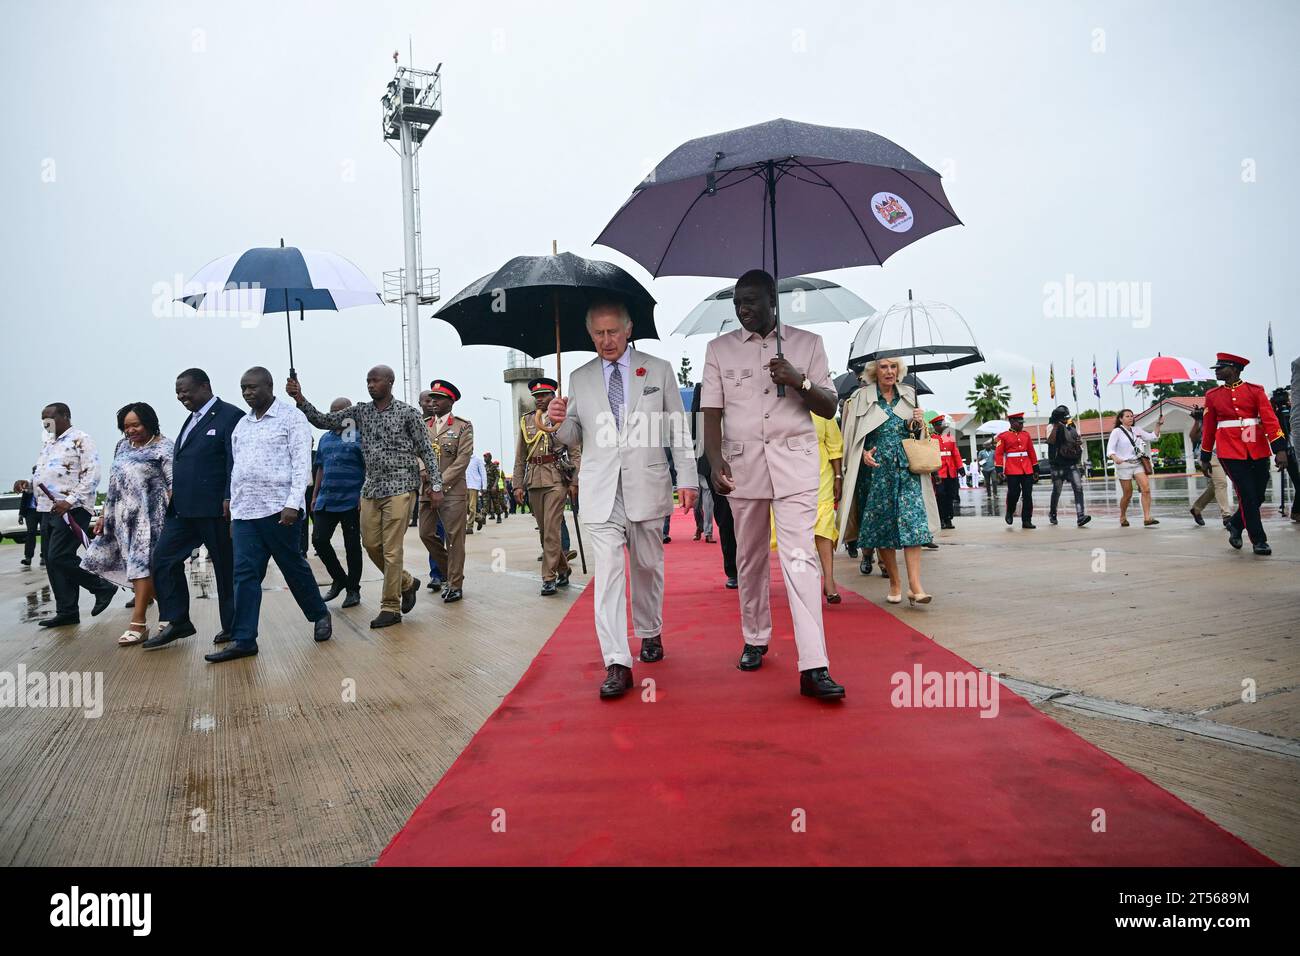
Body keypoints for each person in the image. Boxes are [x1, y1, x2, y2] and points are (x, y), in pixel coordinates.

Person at [702, 269, 845, 700]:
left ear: (773, 301)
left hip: (796, 468)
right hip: (743, 469)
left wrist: (797, 380)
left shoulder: (808, 344)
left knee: (800, 560)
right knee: (750, 559)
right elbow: (710, 411)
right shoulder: (718, 350)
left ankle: (813, 664)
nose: (744, 310)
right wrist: (712, 460)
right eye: (737, 304)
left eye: (752, 302)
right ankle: (755, 636)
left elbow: (828, 406)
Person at [549, 298, 696, 698]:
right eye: (598, 333)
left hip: (646, 484)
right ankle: (616, 660)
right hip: (600, 490)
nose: (606, 340)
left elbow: (678, 430)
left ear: (629, 330)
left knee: (647, 566)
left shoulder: (658, 370)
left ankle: (650, 630)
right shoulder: (579, 378)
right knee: (610, 573)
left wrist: (688, 478)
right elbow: (573, 436)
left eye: (613, 331)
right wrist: (557, 421)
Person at [287, 365, 443, 628]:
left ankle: (390, 607)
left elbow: (426, 451)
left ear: (390, 383)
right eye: (367, 381)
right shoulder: (361, 412)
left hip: (402, 486)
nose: (370, 385)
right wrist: (300, 399)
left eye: (375, 381)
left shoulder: (408, 414)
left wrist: (436, 485)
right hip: (371, 488)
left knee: (392, 549)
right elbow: (325, 421)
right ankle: (406, 582)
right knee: (372, 546)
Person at [205, 368, 332, 663]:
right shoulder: (242, 426)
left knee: (293, 567)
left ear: (269, 386)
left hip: (279, 510)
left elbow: (302, 464)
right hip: (247, 512)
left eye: (252, 387)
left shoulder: (292, 418)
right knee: (244, 574)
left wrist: (293, 503)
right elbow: (237, 471)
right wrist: (235, 510)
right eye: (243, 388)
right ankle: (244, 638)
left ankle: (319, 613)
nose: (247, 393)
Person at [144, 369, 244, 650]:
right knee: (162, 559)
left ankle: (233, 627)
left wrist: (229, 497)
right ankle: (177, 620)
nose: (181, 397)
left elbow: (233, 461)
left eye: (186, 390)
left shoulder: (230, 416)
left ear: (205, 386)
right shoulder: (191, 419)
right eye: (177, 393)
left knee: (226, 569)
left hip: (216, 509)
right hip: (184, 509)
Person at [839, 357, 934, 606]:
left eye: (893, 367)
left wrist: (917, 421)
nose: (889, 371)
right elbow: (853, 437)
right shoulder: (860, 399)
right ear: (874, 371)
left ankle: (916, 586)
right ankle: (895, 582)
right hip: (876, 471)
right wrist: (864, 454)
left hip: (906, 467)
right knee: (883, 528)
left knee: (913, 525)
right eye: (884, 367)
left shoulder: (909, 395)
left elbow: (916, 434)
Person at [13, 403, 116, 627]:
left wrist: (69, 501)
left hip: (72, 508)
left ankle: (102, 586)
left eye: (49, 418)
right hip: (46, 509)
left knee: (60, 556)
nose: (46, 423)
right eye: (43, 420)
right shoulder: (48, 443)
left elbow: (93, 475)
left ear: (65, 416)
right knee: (52, 561)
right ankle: (67, 611)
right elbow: (46, 477)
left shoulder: (81, 439)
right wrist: (28, 485)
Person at [79, 403, 173, 645]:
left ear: (150, 422)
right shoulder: (122, 446)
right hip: (121, 519)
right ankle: (170, 613)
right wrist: (103, 515)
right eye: (126, 427)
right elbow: (113, 485)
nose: (130, 430)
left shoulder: (164, 447)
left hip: (150, 519)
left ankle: (138, 623)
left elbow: (174, 485)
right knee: (139, 568)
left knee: (141, 567)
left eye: (136, 425)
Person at [1199, 352, 1288, 555]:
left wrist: (1280, 449)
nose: (1217, 371)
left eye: (1222, 367)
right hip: (1229, 450)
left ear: (1236, 369)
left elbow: (1270, 421)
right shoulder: (1213, 396)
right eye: (1217, 368)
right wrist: (1204, 456)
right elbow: (1209, 428)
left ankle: (1236, 524)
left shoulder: (1255, 391)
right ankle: (1258, 540)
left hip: (1256, 448)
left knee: (1257, 496)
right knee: (1247, 494)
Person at [513, 379, 580, 596]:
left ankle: (548, 577)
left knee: (552, 529)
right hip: (533, 480)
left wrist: (575, 481)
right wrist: (517, 485)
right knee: (544, 532)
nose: (540, 399)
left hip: (556, 478)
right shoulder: (527, 421)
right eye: (537, 396)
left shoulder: (564, 418)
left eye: (544, 395)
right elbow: (521, 456)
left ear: (554, 395)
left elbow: (575, 453)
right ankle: (563, 568)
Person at [419, 380, 473, 603]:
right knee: (425, 533)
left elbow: (463, 459)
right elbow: (416, 451)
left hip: (452, 491)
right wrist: (423, 471)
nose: (433, 402)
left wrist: (439, 482)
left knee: (454, 538)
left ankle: (454, 583)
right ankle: (451, 568)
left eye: (439, 398)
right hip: (426, 490)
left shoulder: (463, 426)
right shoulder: (423, 424)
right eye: (431, 398)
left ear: (450, 402)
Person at [310, 397, 364, 609]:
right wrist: (315, 495)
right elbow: (320, 468)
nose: (334, 416)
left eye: (339, 412)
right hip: (326, 498)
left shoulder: (359, 436)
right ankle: (339, 578)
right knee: (319, 540)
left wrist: (362, 493)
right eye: (331, 411)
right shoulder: (325, 438)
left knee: (352, 546)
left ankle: (353, 589)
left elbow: (368, 466)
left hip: (351, 499)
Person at [691, 381, 737, 588]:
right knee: (725, 519)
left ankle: (754, 569)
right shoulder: (702, 389)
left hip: (749, 460)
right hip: (715, 463)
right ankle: (733, 570)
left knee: (753, 521)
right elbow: (695, 426)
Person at [1107, 408, 1162, 527]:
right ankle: (1122, 516)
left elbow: (1152, 437)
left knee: (1146, 489)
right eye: (1127, 416)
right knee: (1128, 494)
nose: (1131, 418)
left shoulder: (1137, 430)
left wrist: (1158, 424)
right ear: (1121, 419)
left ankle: (1147, 518)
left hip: (1137, 464)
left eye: (1131, 416)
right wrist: (1115, 457)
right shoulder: (1116, 432)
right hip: (1124, 465)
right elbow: (1110, 448)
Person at [812, 412, 844, 603]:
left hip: (822, 473)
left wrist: (838, 476)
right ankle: (805, 579)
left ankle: (829, 581)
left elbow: (834, 445)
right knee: (800, 530)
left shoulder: (821, 405)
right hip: (790, 475)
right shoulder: (781, 403)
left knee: (824, 526)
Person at [1046, 405, 1092, 527]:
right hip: (1057, 466)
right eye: (1064, 417)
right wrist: (1057, 426)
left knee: (1078, 488)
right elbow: (1050, 441)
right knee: (1057, 490)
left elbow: (1077, 441)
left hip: (1071, 463)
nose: (1067, 419)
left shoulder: (1071, 426)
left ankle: (1081, 516)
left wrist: (1076, 440)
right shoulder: (1051, 427)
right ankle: (1052, 513)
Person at [1188, 405, 1231, 527]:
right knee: (1221, 483)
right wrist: (1197, 420)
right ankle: (1226, 515)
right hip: (1208, 456)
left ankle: (1197, 508)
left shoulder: (1224, 419)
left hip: (1225, 454)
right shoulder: (1203, 421)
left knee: (1214, 487)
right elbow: (1192, 437)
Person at [995, 413, 1038, 529]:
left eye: (1022, 423)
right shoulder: (1003, 436)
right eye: (1019, 423)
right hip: (1012, 469)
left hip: (1027, 468)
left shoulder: (1026, 435)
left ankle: (1027, 520)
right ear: (1012, 422)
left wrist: (1035, 468)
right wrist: (999, 469)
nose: (1021, 425)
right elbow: (998, 453)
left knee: (1027, 495)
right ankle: (1010, 511)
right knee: (1014, 493)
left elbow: (1031, 452)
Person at [931, 414, 964, 530]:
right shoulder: (932, 439)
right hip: (939, 471)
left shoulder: (949, 437)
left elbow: (955, 452)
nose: (944, 426)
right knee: (940, 495)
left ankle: (949, 518)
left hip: (951, 470)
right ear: (935, 426)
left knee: (950, 495)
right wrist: (934, 473)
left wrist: (960, 467)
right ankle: (941, 519)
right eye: (941, 425)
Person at [18, 475, 46, 567]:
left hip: (43, 510)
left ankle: (44, 557)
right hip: (30, 512)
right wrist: (21, 515)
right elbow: (23, 501)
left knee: (44, 532)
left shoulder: (45, 483)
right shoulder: (28, 484)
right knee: (30, 533)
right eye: (34, 471)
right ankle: (28, 557)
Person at [465, 449, 487, 533]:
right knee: (466, 508)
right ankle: (479, 518)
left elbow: (483, 473)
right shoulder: (463, 459)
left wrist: (484, 486)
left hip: (474, 486)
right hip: (464, 486)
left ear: (472, 449)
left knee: (472, 507)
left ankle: (469, 527)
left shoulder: (477, 460)